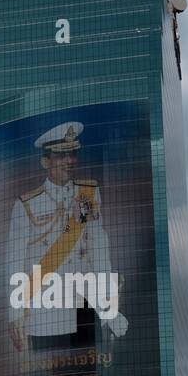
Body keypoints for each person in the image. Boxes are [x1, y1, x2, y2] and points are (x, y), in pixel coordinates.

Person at [7, 121, 128, 352]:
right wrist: (15, 313)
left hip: (85, 303)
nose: (69, 161)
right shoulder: (26, 204)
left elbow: (99, 247)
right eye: (61, 155)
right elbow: (15, 262)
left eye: (72, 154)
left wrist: (109, 303)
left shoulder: (88, 192)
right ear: (46, 162)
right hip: (46, 308)